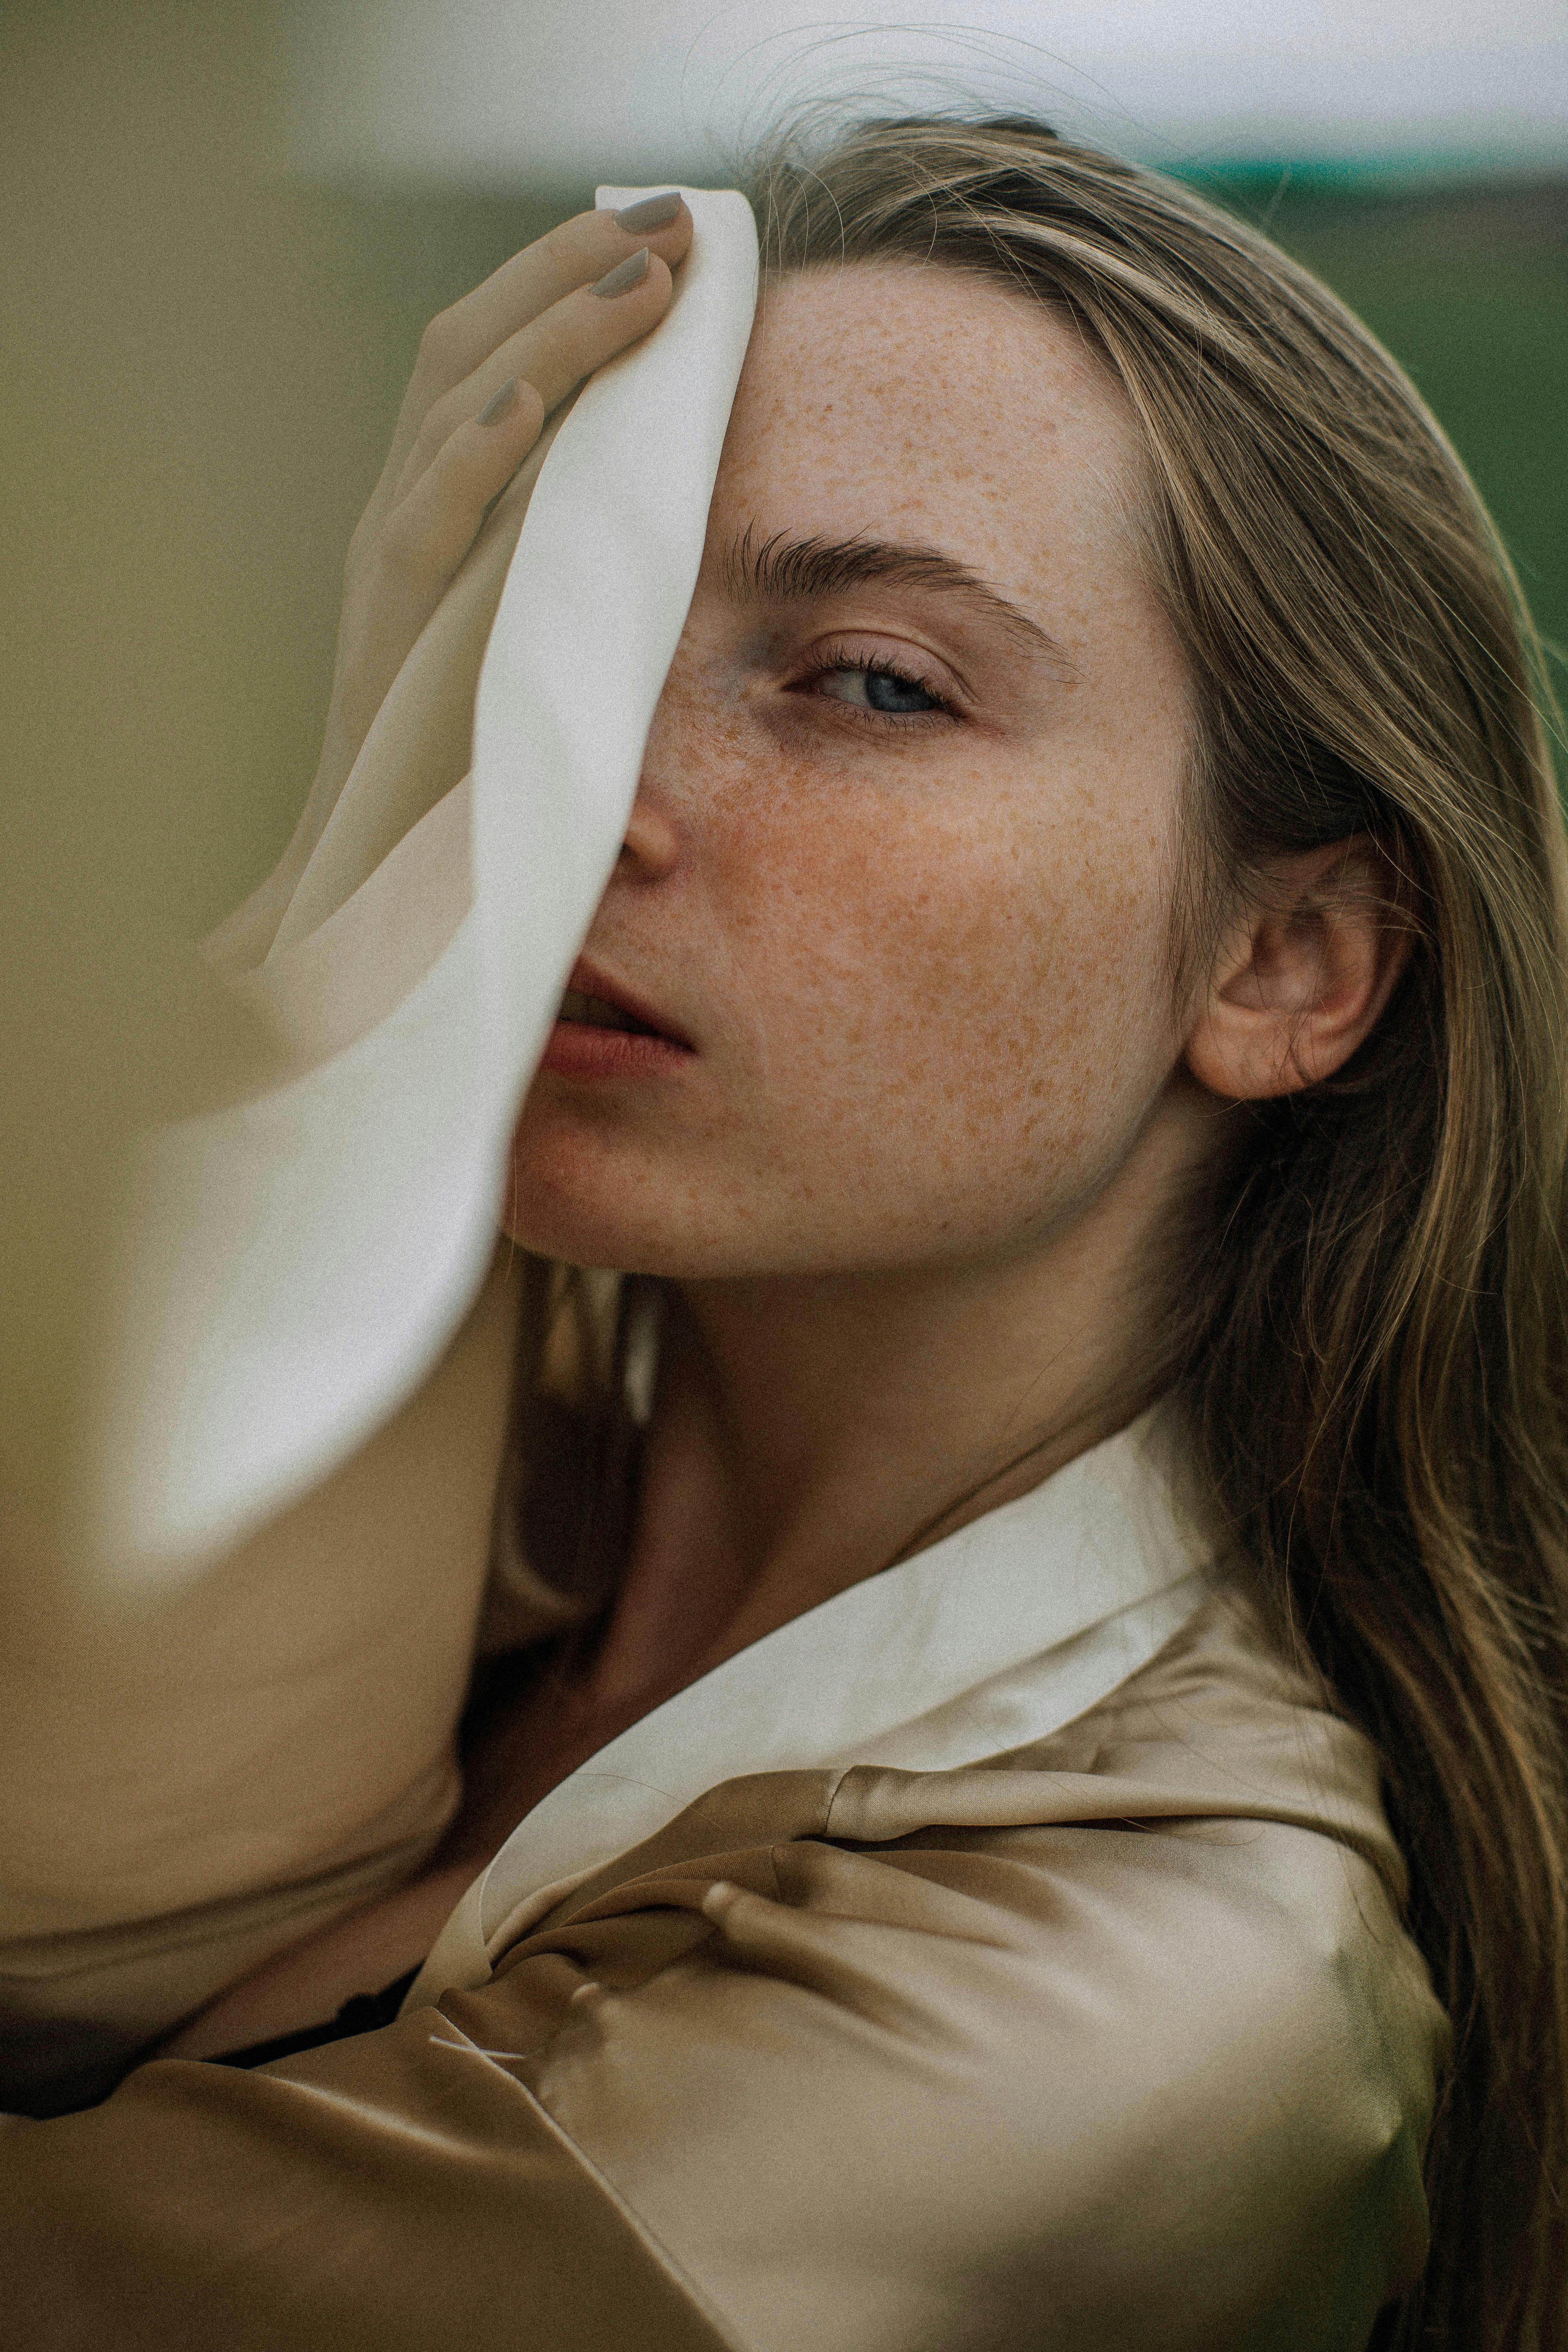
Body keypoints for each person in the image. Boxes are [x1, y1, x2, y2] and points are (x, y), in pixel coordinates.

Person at [2, 114, 1566, 2352]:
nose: (594, 803)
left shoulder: (1117, 2012)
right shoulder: (426, 1490)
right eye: (576, 627)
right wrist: (358, 880)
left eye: (869, 683)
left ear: (1287, 965)